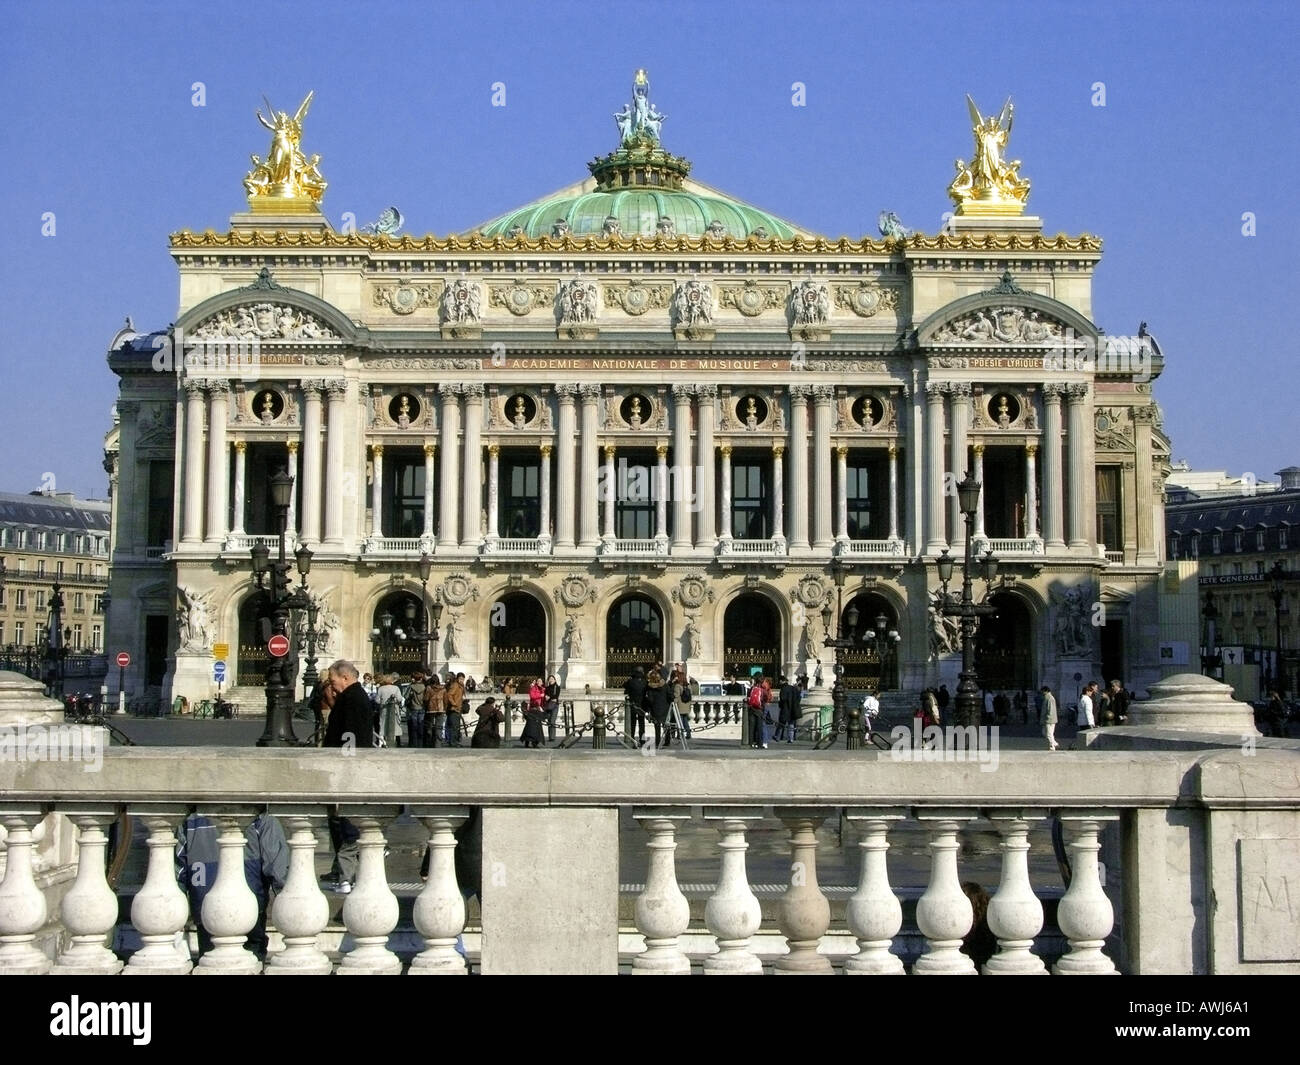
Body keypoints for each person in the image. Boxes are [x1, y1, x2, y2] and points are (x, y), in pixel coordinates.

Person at [176, 812, 288, 960]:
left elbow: (177, 874)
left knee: (211, 963)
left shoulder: (189, 821)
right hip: (250, 910)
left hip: (205, 912)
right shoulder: (262, 819)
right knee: (251, 961)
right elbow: (278, 871)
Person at [322, 660, 374, 893]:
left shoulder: (352, 699)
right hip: (348, 766)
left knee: (344, 820)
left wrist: (344, 763)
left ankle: (346, 876)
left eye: (333, 681)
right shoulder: (354, 696)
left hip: (346, 769)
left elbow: (350, 735)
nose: (332, 687)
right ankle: (342, 869)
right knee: (339, 819)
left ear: (345, 678)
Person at [645, 667, 671, 748]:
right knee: (666, 725)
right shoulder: (665, 686)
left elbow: (650, 700)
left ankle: (658, 742)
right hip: (665, 708)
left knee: (657, 727)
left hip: (655, 709)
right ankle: (667, 741)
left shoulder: (650, 688)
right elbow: (670, 696)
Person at [375, 673, 402, 748]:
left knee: (383, 724)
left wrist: (382, 702)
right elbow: (399, 699)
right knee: (394, 725)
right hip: (394, 709)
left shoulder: (381, 688)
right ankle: (393, 741)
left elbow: (377, 700)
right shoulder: (396, 688)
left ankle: (381, 742)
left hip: (383, 709)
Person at [521, 677, 546, 748]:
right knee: (530, 726)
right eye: (538, 681)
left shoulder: (543, 689)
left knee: (538, 727)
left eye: (540, 681)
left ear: (542, 683)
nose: (539, 682)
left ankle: (535, 742)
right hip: (533, 709)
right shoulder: (533, 688)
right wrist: (540, 695)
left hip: (539, 709)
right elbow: (532, 696)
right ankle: (527, 741)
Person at [423, 674, 446, 747]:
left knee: (430, 726)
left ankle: (430, 742)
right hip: (440, 709)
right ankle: (438, 743)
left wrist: (426, 705)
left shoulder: (429, 688)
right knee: (439, 726)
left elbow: (426, 699)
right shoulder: (443, 689)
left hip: (431, 709)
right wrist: (445, 708)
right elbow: (445, 700)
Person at [777, 674, 802, 743]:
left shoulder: (783, 689)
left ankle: (777, 736)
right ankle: (790, 738)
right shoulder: (793, 688)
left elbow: (782, 699)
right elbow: (799, 697)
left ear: (781, 681)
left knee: (782, 723)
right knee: (791, 724)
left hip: (785, 708)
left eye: (779, 681)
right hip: (793, 708)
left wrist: (781, 705)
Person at [747, 673, 769, 749]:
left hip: (751, 709)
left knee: (751, 727)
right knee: (759, 727)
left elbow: (748, 697)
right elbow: (766, 698)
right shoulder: (763, 689)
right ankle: (759, 743)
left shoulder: (751, 689)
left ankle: (750, 743)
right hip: (759, 709)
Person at [405, 671, 427, 748]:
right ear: (421, 678)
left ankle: (414, 743)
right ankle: (420, 743)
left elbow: (406, 696)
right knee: (421, 725)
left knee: (414, 726)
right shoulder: (424, 687)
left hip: (413, 707)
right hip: (422, 707)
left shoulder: (411, 687)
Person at [445, 672, 466, 747]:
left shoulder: (461, 686)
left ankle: (455, 741)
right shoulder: (455, 685)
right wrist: (454, 703)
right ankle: (453, 742)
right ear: (457, 678)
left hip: (458, 708)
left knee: (456, 726)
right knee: (454, 726)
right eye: (460, 679)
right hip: (454, 708)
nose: (461, 680)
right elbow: (449, 695)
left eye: (463, 679)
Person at [1041, 685, 1059, 750]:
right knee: (1047, 733)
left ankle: (1052, 746)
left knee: (1048, 734)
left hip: (1049, 719)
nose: (1042, 693)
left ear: (1045, 691)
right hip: (1048, 719)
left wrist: (1048, 718)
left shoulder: (1050, 698)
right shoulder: (1047, 697)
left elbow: (1050, 709)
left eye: (1042, 691)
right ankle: (1054, 743)